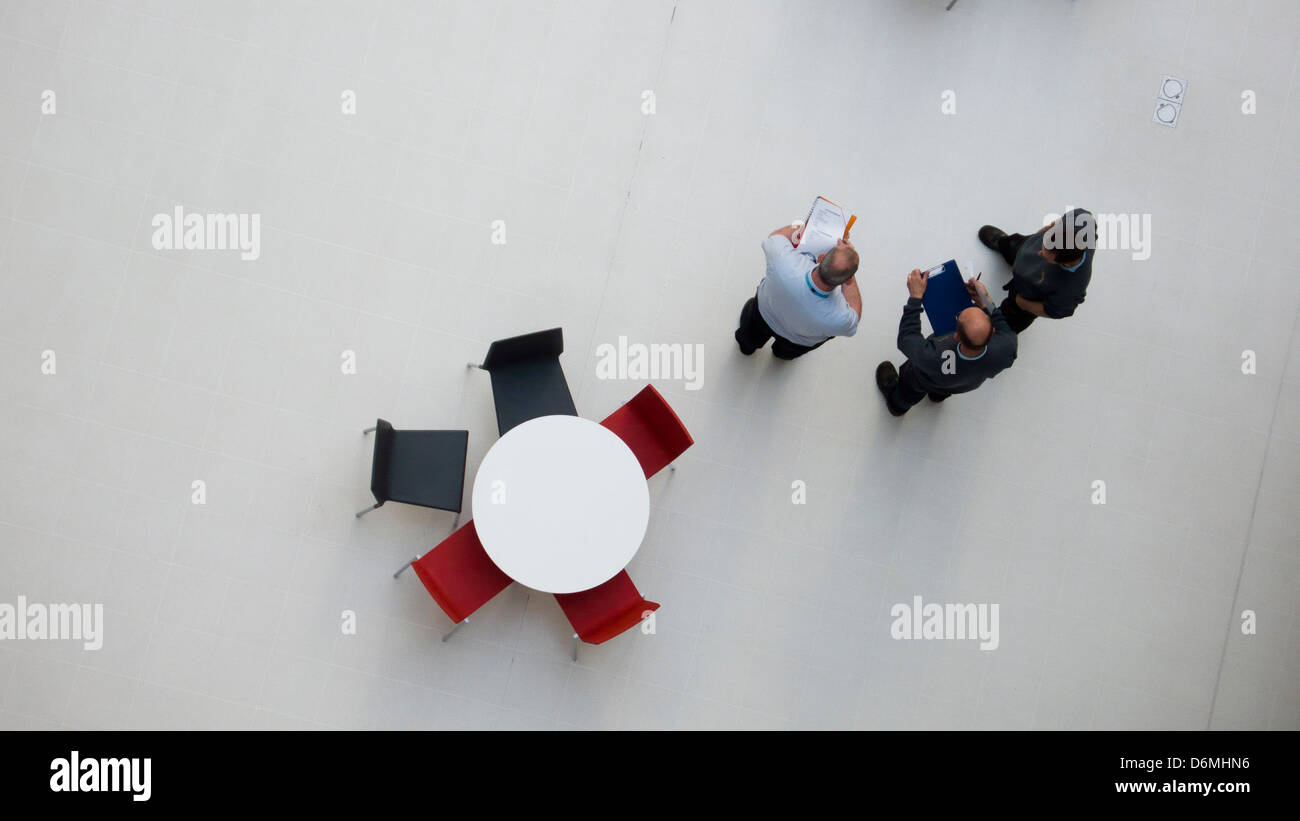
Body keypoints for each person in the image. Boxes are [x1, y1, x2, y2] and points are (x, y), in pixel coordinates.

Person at [874, 269, 1017, 416]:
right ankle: (937, 395)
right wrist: (985, 300)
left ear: (956, 336)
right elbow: (999, 320)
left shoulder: (932, 357)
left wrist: (915, 298)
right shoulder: (1007, 349)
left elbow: (907, 339)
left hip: (925, 379)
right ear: (992, 331)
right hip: (961, 384)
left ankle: (897, 405)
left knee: (910, 388)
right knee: (946, 386)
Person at [735, 223, 862, 359]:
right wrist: (848, 272)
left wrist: (811, 227)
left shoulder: (783, 262)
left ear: (822, 258)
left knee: (749, 337)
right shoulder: (840, 318)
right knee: (787, 352)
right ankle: (781, 355)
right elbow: (855, 314)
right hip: (797, 342)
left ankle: (747, 347)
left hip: (764, 315)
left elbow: (776, 237)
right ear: (846, 280)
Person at [978, 207, 1095, 333]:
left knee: (1007, 322)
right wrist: (1049, 228)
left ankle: (994, 330)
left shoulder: (1071, 287)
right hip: (1023, 248)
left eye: (1046, 254)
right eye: (1045, 243)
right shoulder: (1082, 224)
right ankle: (1003, 243)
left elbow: (1056, 310)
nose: (1039, 252)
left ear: (1064, 263)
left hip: (1028, 292)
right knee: (1014, 245)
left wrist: (1023, 303)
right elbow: (1081, 215)